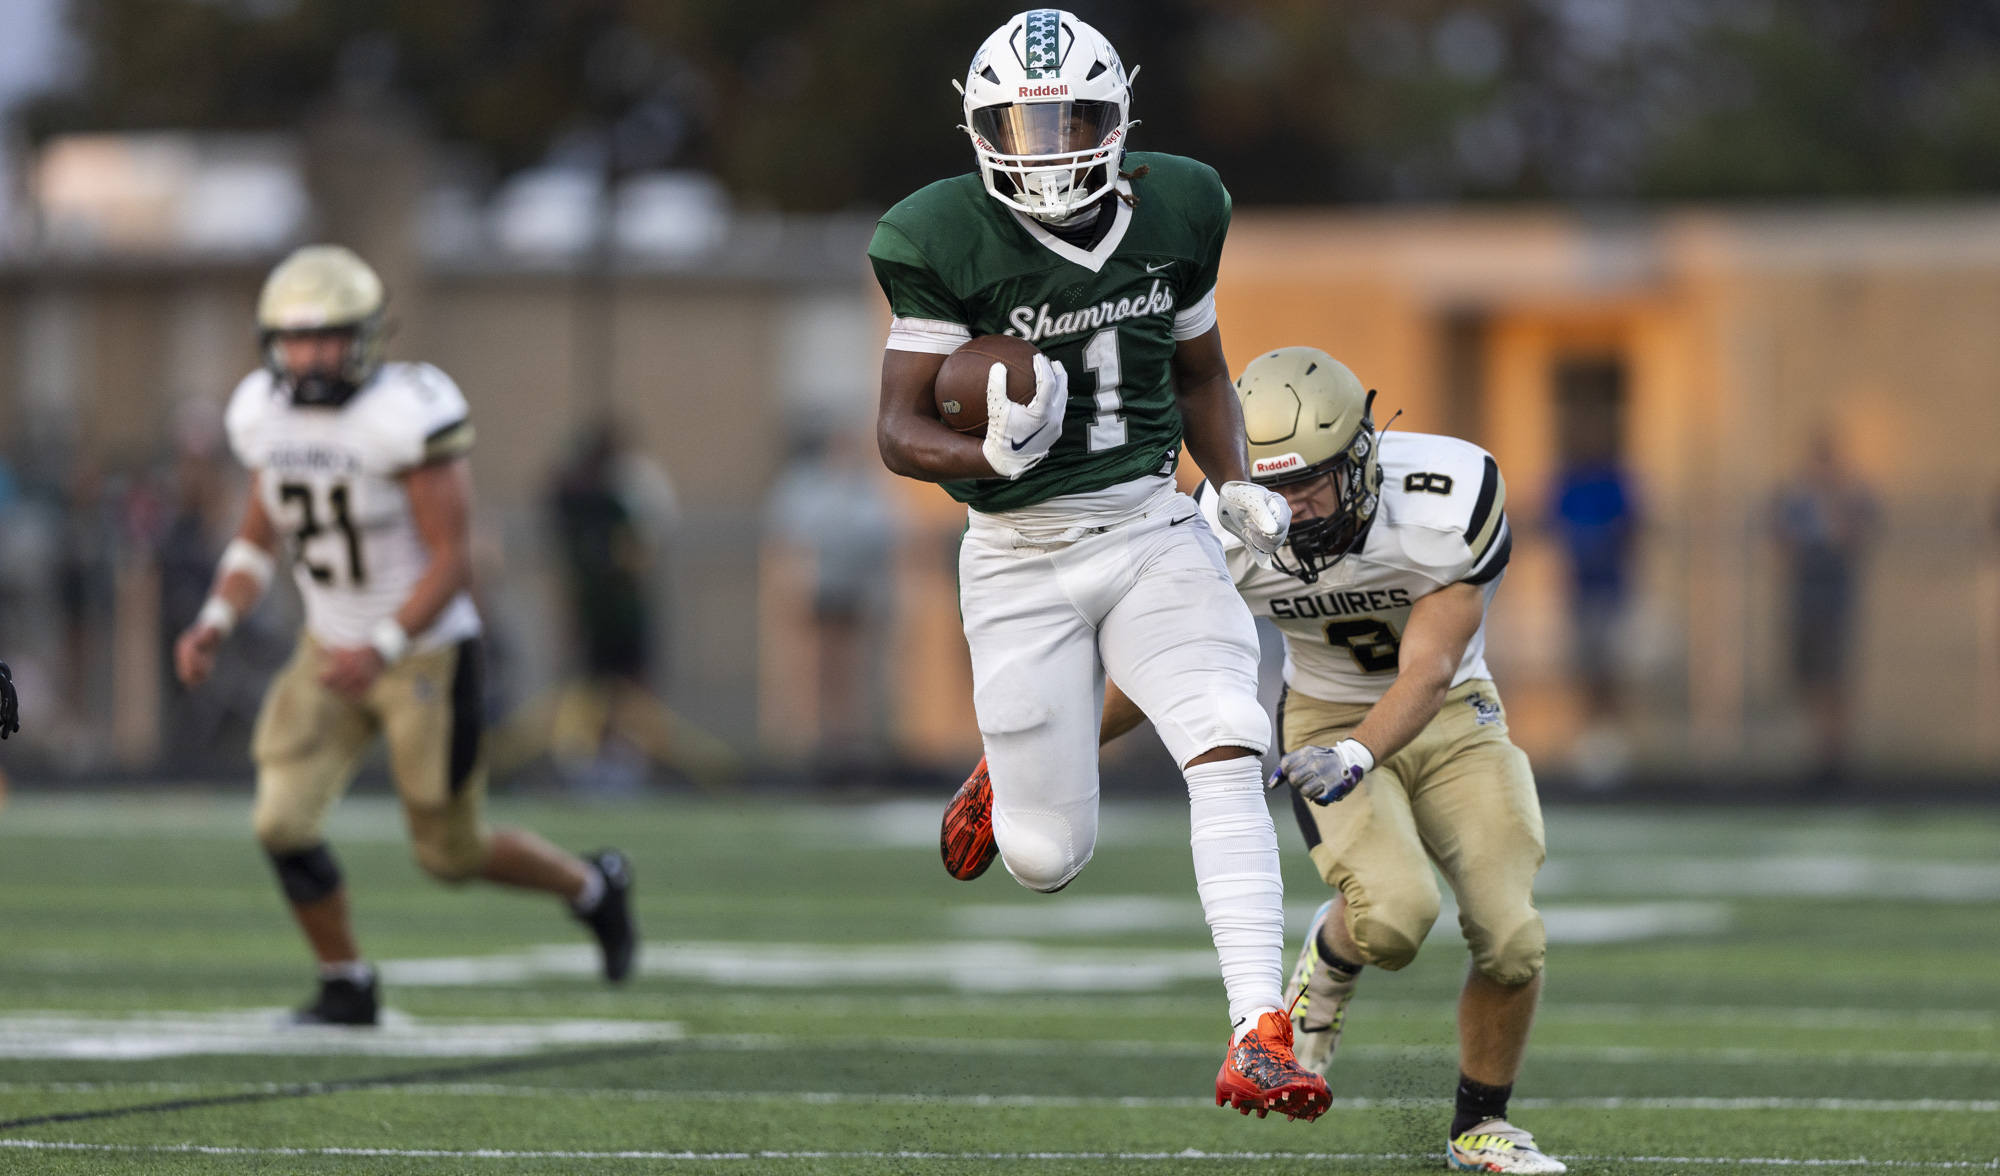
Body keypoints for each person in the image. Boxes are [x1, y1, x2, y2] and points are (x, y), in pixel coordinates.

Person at [948, 348, 1564, 1170]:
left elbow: (1430, 671)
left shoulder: (1446, 499)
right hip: (1319, 711)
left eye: (1312, 482)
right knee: (1396, 919)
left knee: (1512, 935)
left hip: (1453, 718)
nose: (1294, 510)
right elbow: (1157, 675)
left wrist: (1359, 752)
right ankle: (1333, 959)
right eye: (1274, 487)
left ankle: (1480, 1125)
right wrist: (1039, 752)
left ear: (1363, 456)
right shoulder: (1220, 522)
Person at [877, 10, 1325, 1121]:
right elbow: (894, 430)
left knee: (1229, 730)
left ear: (1120, 113)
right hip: (1015, 557)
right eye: (1023, 123)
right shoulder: (935, 237)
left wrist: (1229, 488)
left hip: (1144, 525)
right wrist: (982, 448)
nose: (1049, 144)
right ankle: (1007, 772)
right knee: (1044, 856)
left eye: (1072, 118)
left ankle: (1257, 1028)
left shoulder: (1180, 205)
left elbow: (1198, 375)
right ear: (980, 128)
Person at [174, 245, 637, 1026]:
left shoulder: (405, 411)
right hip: (329, 650)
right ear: (271, 343)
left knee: (449, 854)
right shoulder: (261, 411)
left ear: (365, 338)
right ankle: (346, 982)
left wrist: (382, 646)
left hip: (423, 653)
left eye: (329, 337)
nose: (312, 356)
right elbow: (259, 537)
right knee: (281, 822)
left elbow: (456, 558)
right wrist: (217, 618)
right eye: (297, 339)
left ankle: (593, 886)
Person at [1772, 432, 1878, 785]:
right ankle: (1815, 750)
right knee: (1809, 678)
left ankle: (1834, 752)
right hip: (1805, 599)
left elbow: (1853, 538)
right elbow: (1782, 545)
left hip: (1836, 601)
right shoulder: (1796, 500)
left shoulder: (1851, 497)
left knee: (1836, 676)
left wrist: (1833, 508)